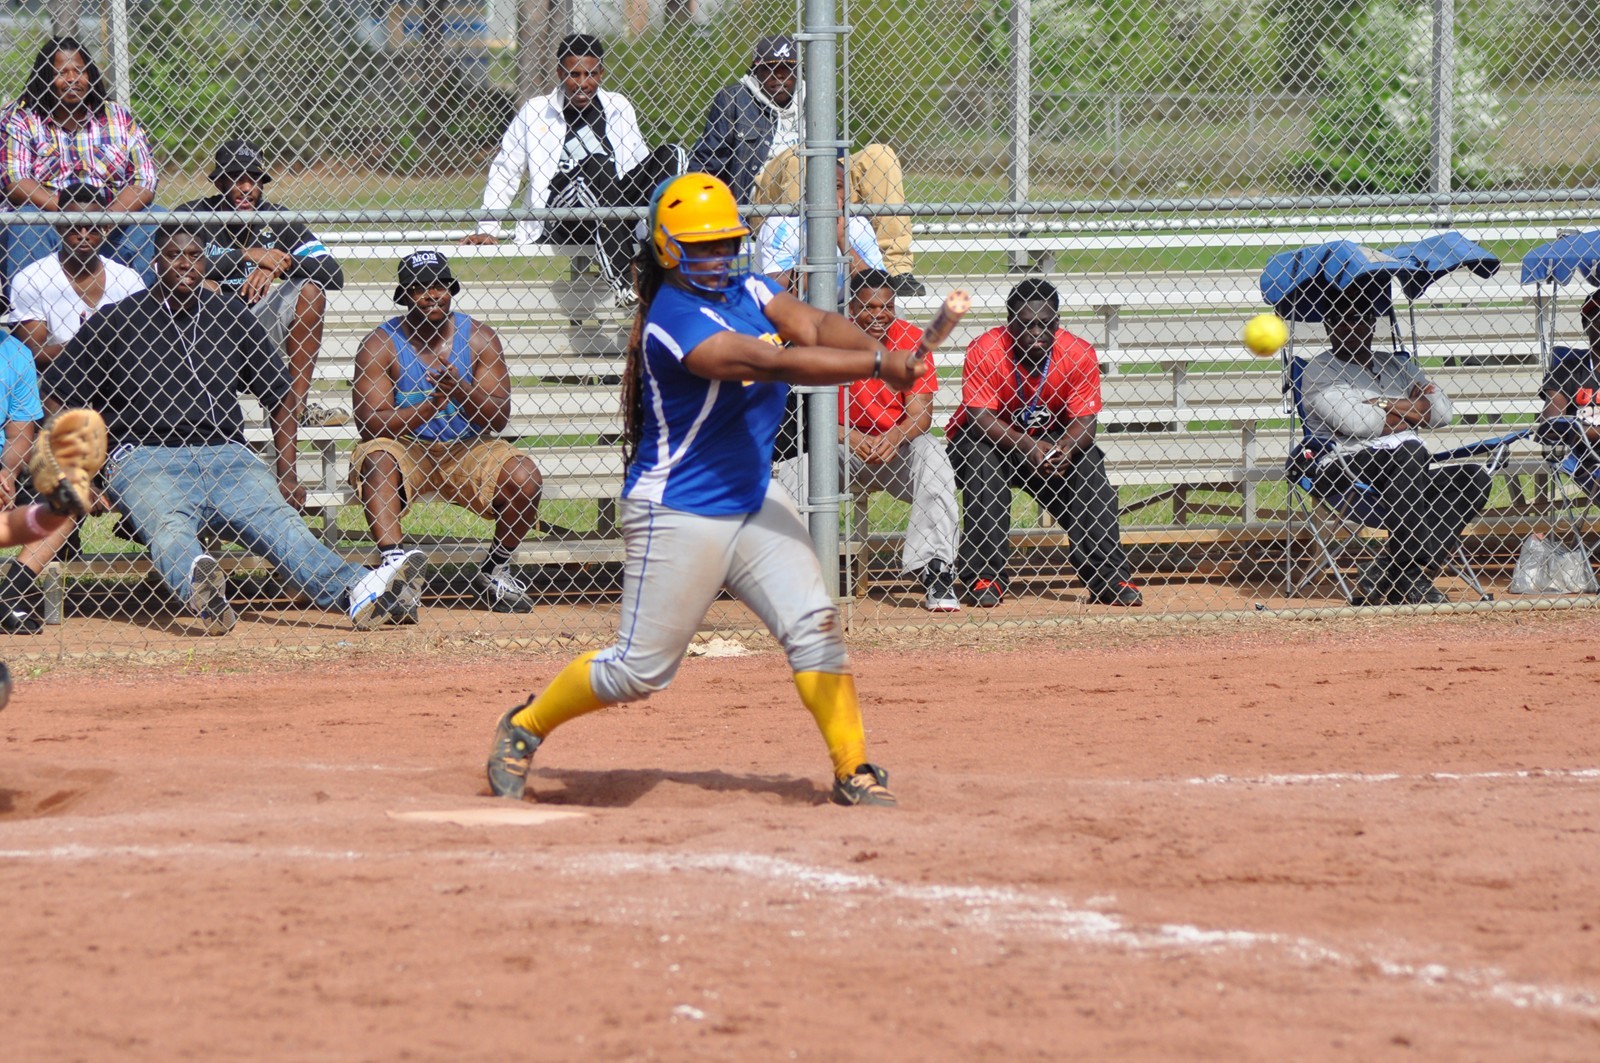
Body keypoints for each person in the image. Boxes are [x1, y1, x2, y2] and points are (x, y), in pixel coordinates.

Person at [484, 173, 923, 808]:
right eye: (701, 247)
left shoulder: (749, 286)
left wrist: (881, 350)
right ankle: (524, 726)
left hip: (753, 497)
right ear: (667, 248)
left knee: (814, 626)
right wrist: (881, 365)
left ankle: (853, 767)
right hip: (679, 511)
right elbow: (773, 362)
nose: (717, 258)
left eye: (725, 244)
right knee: (639, 671)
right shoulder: (673, 320)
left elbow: (818, 326)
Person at [37, 222, 426, 634]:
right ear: (155, 262)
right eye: (173, 255)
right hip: (143, 457)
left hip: (227, 454)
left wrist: (287, 472)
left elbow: (280, 394)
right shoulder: (117, 320)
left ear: (207, 264)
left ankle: (359, 590)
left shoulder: (230, 316)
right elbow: (58, 394)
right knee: (169, 527)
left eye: (193, 256)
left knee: (283, 527)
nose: (184, 264)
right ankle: (201, 587)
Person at [351, 252, 543, 615]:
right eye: (419, 288)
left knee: (524, 474)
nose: (431, 295)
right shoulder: (380, 342)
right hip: (407, 448)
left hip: (468, 447)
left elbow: (498, 417)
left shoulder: (480, 338)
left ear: (451, 290)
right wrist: (428, 408)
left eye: (439, 286)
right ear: (405, 295)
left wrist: (460, 390)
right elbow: (369, 424)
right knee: (376, 458)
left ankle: (494, 570)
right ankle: (395, 573)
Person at [0, 182, 144, 633]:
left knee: (67, 494)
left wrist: (4, 470)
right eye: (73, 224)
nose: (83, 232)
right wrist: (103, 349)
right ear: (57, 226)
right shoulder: (33, 279)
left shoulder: (128, 280)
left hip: (118, 404)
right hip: (59, 399)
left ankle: (11, 590)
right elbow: (39, 352)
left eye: (93, 224)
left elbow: (141, 357)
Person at [947, 278, 1141, 608]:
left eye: (1045, 324)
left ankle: (1108, 577)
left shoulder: (1078, 352)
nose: (1037, 332)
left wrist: (1065, 447)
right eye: (1026, 324)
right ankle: (984, 576)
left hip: (1049, 442)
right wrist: (1026, 446)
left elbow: (1086, 422)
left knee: (1088, 461)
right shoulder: (985, 348)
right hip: (991, 440)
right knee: (983, 460)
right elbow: (980, 418)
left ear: (1057, 321)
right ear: (1009, 324)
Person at [1298, 277, 1489, 605]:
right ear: (1328, 326)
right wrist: (1412, 408)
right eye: (1340, 320)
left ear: (1372, 323)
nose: (1351, 326)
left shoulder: (1396, 363)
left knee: (1475, 477)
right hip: (1346, 465)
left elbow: (1442, 413)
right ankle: (1410, 574)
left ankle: (1396, 567)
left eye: (1360, 318)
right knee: (1412, 448)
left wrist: (1382, 404)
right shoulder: (1320, 370)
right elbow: (1357, 423)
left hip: (1407, 472)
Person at [775, 269, 959, 611]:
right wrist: (849, 435)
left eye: (886, 306)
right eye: (868, 307)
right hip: (839, 449)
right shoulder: (828, 339)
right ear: (851, 309)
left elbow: (921, 415)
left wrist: (895, 434)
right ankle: (793, 576)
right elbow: (810, 411)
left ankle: (937, 571)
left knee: (932, 453)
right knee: (792, 471)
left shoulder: (913, 340)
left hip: (896, 450)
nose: (879, 315)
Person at [690, 33, 923, 296]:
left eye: (786, 69)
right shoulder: (734, 99)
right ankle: (798, 266)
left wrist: (836, 187)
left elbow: (832, 155)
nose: (779, 76)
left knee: (880, 155)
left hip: (825, 186)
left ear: (798, 70)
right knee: (800, 157)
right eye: (770, 69)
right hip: (767, 199)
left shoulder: (815, 96)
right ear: (755, 68)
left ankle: (895, 270)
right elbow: (707, 161)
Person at [460, 33, 686, 301]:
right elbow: (506, 169)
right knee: (597, 165)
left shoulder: (619, 107)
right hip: (560, 214)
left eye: (590, 74)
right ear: (559, 72)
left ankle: (660, 246)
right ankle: (624, 281)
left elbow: (638, 162)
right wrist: (488, 227)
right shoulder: (535, 112)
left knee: (673, 154)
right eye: (573, 74)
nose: (582, 84)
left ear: (601, 73)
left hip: (612, 204)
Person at [177, 139, 347, 428]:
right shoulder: (193, 216)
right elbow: (174, 268)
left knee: (309, 289)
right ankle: (204, 407)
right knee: (206, 288)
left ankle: (294, 410)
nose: (247, 188)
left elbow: (333, 273)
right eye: (237, 179)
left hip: (260, 324)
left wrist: (282, 265)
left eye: (254, 179)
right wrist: (248, 256)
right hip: (208, 334)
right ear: (219, 183)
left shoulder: (277, 218)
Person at [1, 36, 159, 287]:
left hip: (109, 224)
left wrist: (103, 217)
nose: (72, 79)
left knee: (156, 218)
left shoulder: (117, 117)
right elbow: (16, 181)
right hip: (51, 223)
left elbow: (144, 179)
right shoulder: (22, 118)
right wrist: (70, 214)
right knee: (26, 221)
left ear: (91, 75)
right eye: (61, 73)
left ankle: (152, 314)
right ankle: (30, 316)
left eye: (80, 71)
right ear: (45, 79)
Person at [755, 159, 881, 300]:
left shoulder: (859, 225)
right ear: (807, 192)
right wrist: (823, 239)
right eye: (821, 188)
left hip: (841, 311)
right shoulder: (781, 226)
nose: (829, 196)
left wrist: (842, 241)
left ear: (847, 192)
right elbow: (775, 292)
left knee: (897, 312)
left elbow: (878, 292)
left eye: (837, 187)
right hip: (791, 313)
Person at [0, 325, 45, 632]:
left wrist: (8, 473)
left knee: (65, 496)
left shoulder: (16, 352)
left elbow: (19, 433)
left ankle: (8, 596)